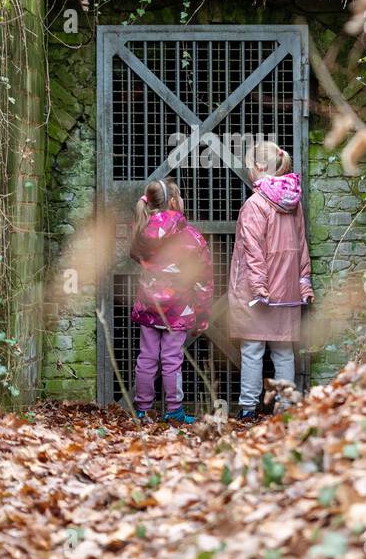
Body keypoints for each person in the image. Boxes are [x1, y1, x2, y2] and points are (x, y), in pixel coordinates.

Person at [228, 142, 313, 420]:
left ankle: (248, 408)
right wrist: (304, 284)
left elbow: (253, 252)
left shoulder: (255, 204)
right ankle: (286, 407)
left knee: (253, 351)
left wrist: (259, 289)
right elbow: (302, 245)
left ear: (260, 168)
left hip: (259, 293)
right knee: (284, 352)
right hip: (287, 292)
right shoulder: (294, 203)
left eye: (250, 167)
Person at [128, 178, 213, 424]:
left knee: (146, 357)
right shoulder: (191, 237)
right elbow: (204, 278)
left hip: (148, 306)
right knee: (172, 360)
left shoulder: (140, 232)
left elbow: (137, 257)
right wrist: (202, 312)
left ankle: (143, 410)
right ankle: (174, 410)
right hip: (179, 308)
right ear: (174, 201)